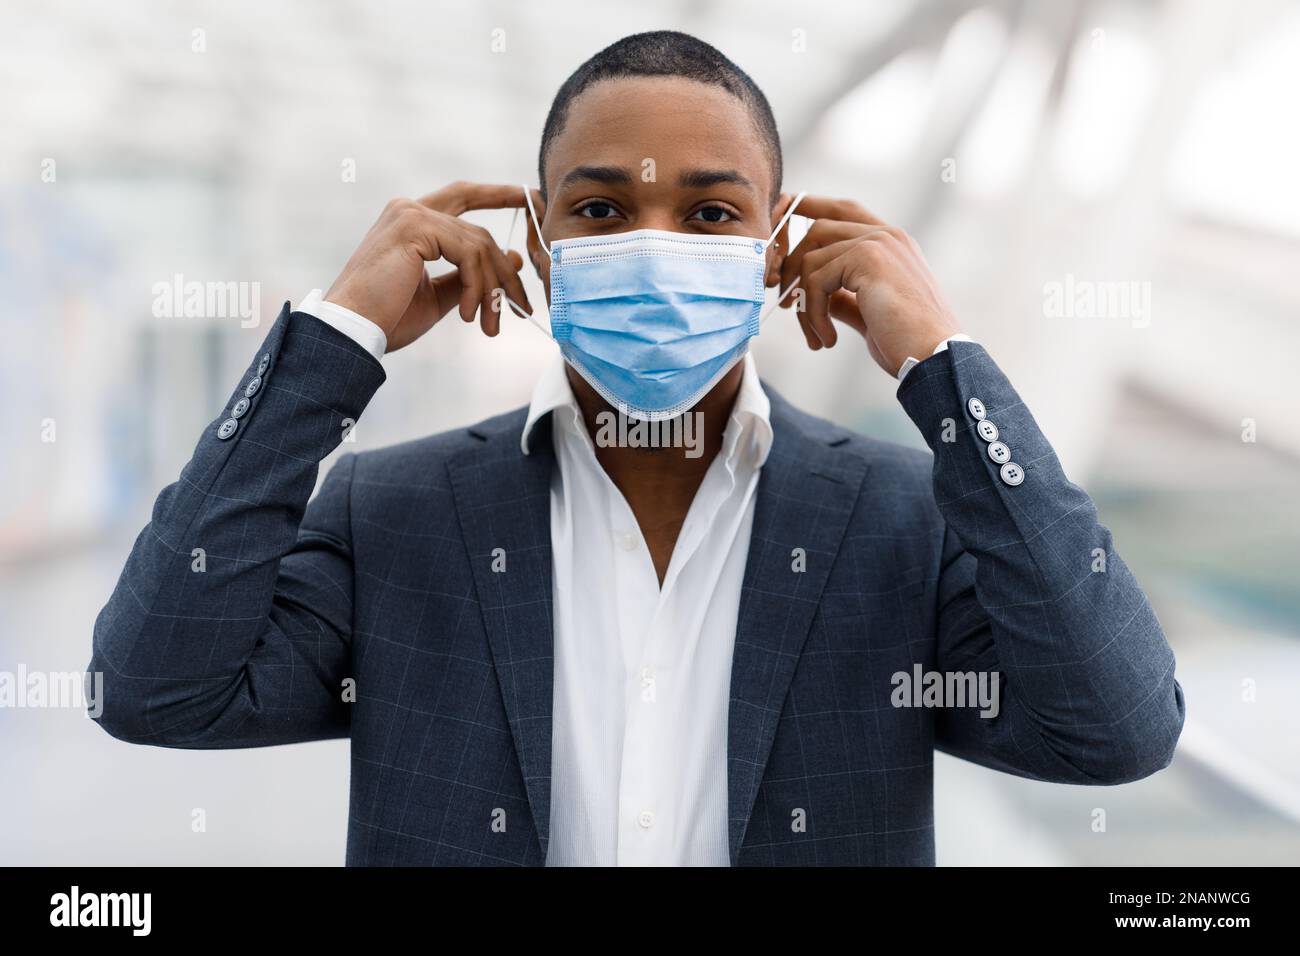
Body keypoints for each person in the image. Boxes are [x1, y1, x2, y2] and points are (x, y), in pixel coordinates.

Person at [88, 31, 1184, 866]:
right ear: (539, 237)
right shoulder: (395, 512)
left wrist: (941, 366)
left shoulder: (902, 518)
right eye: (602, 208)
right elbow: (152, 686)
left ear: (776, 242)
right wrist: (337, 340)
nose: (654, 245)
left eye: (710, 213)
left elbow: (1117, 726)